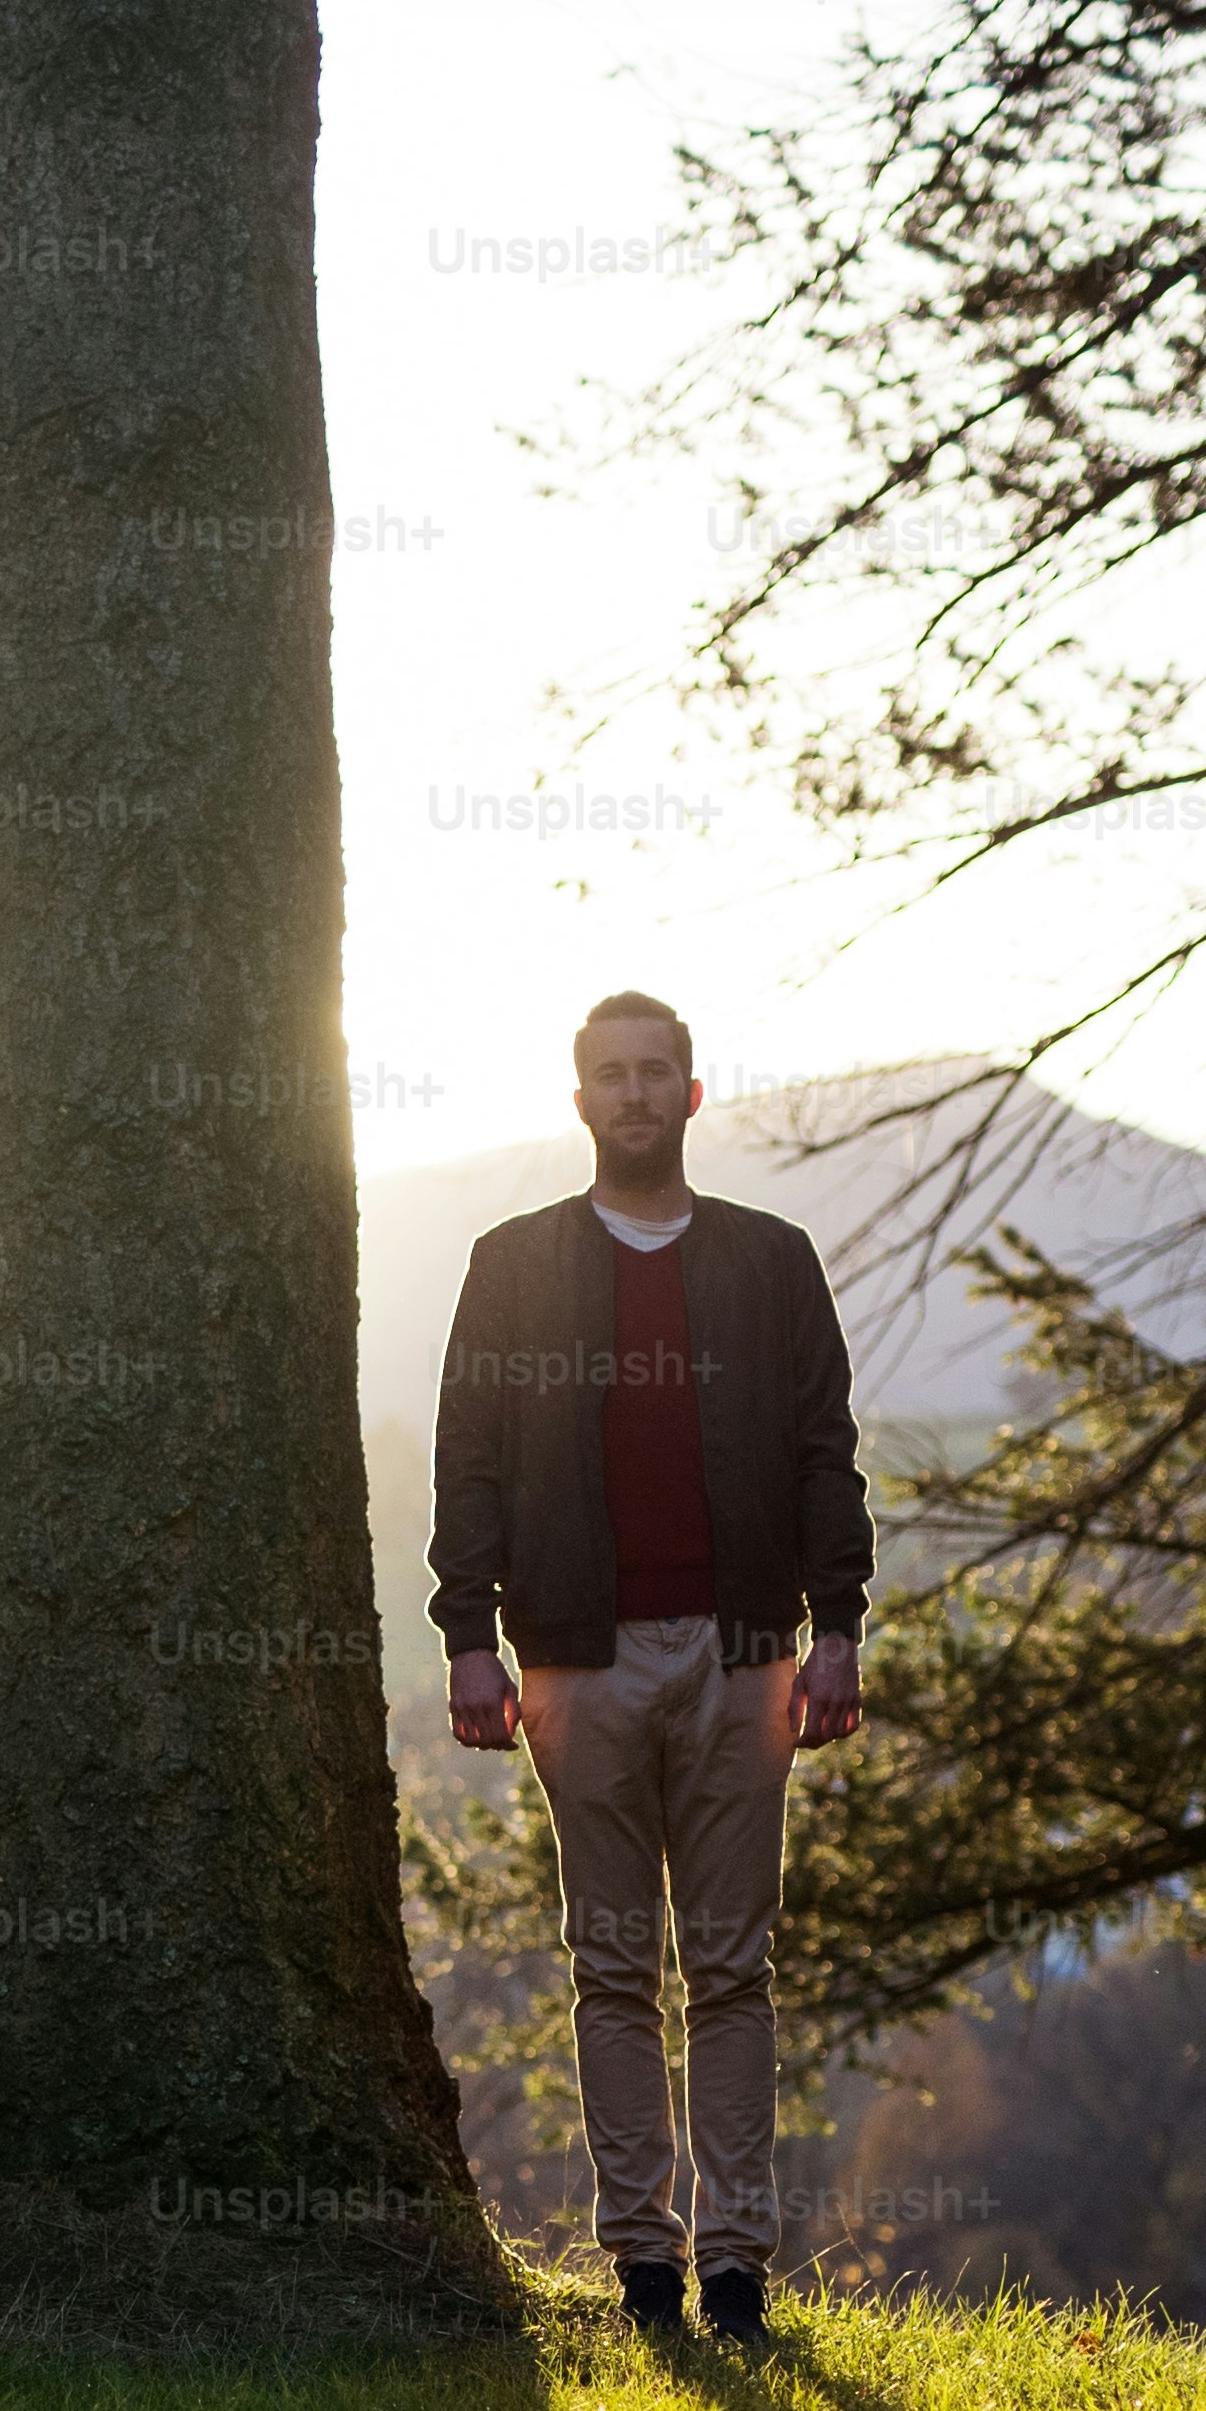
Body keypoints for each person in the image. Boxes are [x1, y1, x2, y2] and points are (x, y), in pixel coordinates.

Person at [427, 992, 873, 2339]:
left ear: (690, 1094)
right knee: (612, 1970)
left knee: (734, 1971)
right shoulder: (512, 1268)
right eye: (609, 1076)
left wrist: (840, 1621)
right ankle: (646, 2270)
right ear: (581, 1103)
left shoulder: (769, 1263)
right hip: (576, 1664)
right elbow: (472, 1462)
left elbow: (821, 1451)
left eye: (654, 1074)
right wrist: (466, 1638)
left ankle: (736, 2266)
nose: (632, 1094)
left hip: (749, 1662)